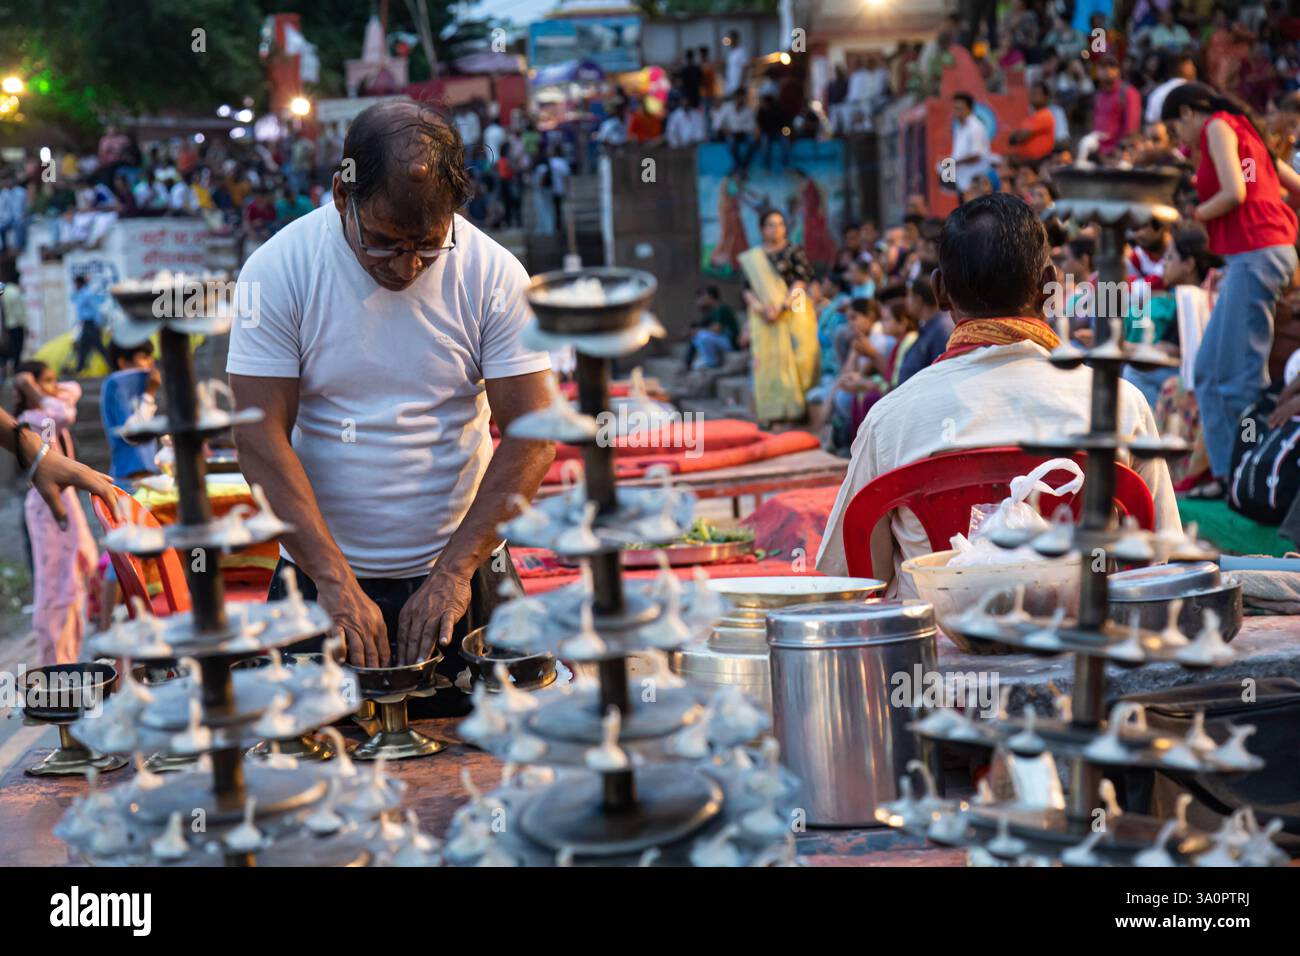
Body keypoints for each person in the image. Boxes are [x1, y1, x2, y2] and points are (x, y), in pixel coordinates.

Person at [227, 101, 555, 689]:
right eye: (383, 243)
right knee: (319, 761)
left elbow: (532, 433)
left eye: (429, 244)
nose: (406, 266)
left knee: (490, 759)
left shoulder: (494, 274)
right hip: (317, 576)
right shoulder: (277, 271)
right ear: (340, 196)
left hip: (468, 570)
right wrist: (332, 579)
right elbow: (257, 435)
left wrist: (455, 571)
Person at [816, 193, 1180, 593]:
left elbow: (850, 581)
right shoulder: (1121, 406)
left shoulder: (889, 423)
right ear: (1049, 286)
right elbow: (1157, 566)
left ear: (939, 291)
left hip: (937, 652)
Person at [1161, 81, 1300, 497]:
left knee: (1240, 380)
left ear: (1187, 112)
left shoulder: (1218, 126)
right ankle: (1227, 474)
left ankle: (1247, 472)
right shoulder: (1245, 131)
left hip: (1258, 254)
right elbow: (1292, 186)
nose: (1179, 141)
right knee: (1206, 372)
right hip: (1254, 255)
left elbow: (1234, 192)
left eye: (1174, 128)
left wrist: (1193, 216)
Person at [12, 362, 100, 664]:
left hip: (68, 500)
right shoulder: (31, 420)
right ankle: (54, 663)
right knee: (55, 589)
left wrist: (35, 387)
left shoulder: (48, 404)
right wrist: (31, 390)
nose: (54, 387)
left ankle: (70, 658)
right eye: (45, 382)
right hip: (46, 507)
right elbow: (63, 413)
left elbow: (72, 390)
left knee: (77, 582)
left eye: (53, 380)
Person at [739, 209, 819, 424]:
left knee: (801, 356)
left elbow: (801, 280)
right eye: (771, 225)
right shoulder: (754, 258)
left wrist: (783, 305)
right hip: (764, 317)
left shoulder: (794, 251)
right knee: (768, 362)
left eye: (780, 224)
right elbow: (747, 289)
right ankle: (772, 412)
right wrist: (762, 308)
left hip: (794, 312)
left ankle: (798, 409)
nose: (776, 229)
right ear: (762, 229)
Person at [100, 341, 162, 484]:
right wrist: (149, 395)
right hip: (129, 479)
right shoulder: (115, 384)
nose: (151, 363)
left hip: (147, 476)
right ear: (123, 362)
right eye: (143, 357)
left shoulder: (138, 389)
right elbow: (131, 432)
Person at [893, 274, 953, 384]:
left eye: (908, 296)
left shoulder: (942, 329)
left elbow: (943, 375)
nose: (906, 301)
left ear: (918, 300)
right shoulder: (929, 327)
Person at [1092, 54, 1142, 156]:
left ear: (1118, 70)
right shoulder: (1098, 95)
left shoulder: (1129, 93)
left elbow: (1132, 128)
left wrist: (1121, 150)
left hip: (1118, 153)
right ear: (1097, 71)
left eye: (1112, 66)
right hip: (1098, 152)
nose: (1108, 70)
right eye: (1103, 66)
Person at [948, 92, 991, 200]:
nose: (956, 112)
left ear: (969, 109)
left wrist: (953, 162)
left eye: (959, 108)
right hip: (962, 182)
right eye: (955, 108)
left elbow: (976, 155)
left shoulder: (975, 127)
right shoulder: (960, 128)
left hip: (974, 184)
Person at [1008, 83, 1057, 164]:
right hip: (1025, 162)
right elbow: (1012, 139)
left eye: (1037, 94)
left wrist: (1016, 136)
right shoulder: (1031, 116)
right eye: (1032, 93)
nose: (1033, 97)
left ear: (1046, 97)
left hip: (1038, 163)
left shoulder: (1045, 115)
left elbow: (1020, 137)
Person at [70, 275, 109, 374]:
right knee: (84, 346)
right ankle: (80, 368)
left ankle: (112, 364)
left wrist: (98, 324)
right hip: (86, 324)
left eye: (76, 283)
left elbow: (95, 309)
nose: (75, 286)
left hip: (91, 324)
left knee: (98, 347)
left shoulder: (88, 294)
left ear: (80, 283)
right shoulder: (80, 294)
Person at [712, 90, 757, 175]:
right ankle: (741, 166)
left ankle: (740, 166)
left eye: (742, 97)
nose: (740, 100)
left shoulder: (749, 110)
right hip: (730, 133)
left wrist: (742, 130)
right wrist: (725, 129)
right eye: (738, 97)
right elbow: (718, 123)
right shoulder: (727, 108)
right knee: (731, 143)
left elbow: (751, 127)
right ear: (735, 98)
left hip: (744, 134)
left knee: (752, 142)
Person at [0, 271, 27, 384]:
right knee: (17, 350)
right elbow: (19, 313)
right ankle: (15, 372)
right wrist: (25, 325)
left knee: (6, 351)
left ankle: (5, 375)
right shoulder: (16, 292)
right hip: (16, 325)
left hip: (5, 326)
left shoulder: (4, 291)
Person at [724, 30, 748, 95]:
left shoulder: (741, 51)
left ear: (735, 39)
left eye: (731, 38)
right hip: (730, 85)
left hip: (738, 85)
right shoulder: (731, 53)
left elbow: (745, 68)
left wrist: (741, 84)